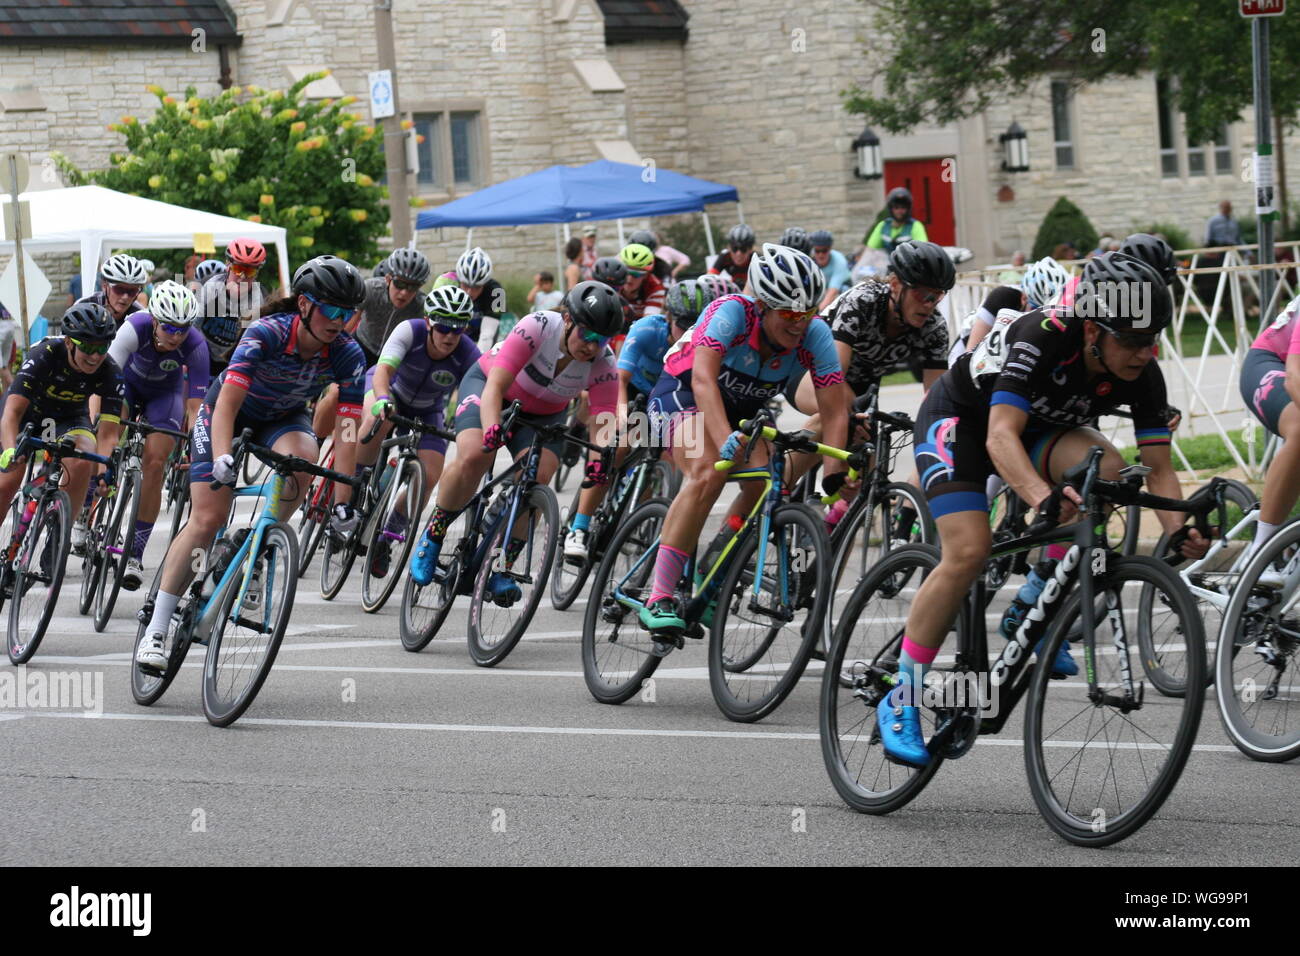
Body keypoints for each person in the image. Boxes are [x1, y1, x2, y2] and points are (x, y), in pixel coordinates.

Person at [884, 252, 1207, 767]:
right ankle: (901, 696)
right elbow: (999, 435)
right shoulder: (1043, 336)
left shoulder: (1143, 370)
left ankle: (1030, 602)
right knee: (969, 550)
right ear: (1089, 332)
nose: (1145, 353)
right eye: (1131, 340)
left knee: (1109, 474)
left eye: (1153, 339)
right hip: (964, 422)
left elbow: (1159, 469)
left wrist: (1180, 527)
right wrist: (1041, 497)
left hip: (1040, 431)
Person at [135, 255, 367, 672]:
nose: (340, 320)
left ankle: (258, 547)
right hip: (229, 411)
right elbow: (227, 404)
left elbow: (348, 431)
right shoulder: (267, 333)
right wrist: (222, 455)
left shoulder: (348, 355)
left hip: (283, 416)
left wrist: (344, 499)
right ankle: (157, 625)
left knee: (305, 462)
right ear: (304, 305)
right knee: (208, 517)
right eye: (331, 309)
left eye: (348, 313)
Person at [638, 244, 849, 643]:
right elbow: (702, 380)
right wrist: (723, 440)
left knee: (767, 482)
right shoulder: (731, 311)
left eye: (806, 314)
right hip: (681, 393)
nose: (798, 324)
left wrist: (835, 475)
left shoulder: (814, 333)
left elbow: (835, 410)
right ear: (763, 305)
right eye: (788, 314)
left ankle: (717, 560)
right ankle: (660, 595)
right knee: (706, 473)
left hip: (741, 410)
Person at [408, 281, 625, 603]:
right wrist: (493, 427)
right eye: (587, 335)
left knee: (539, 477)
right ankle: (434, 533)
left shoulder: (603, 363)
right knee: (474, 455)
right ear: (568, 320)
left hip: (544, 414)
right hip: (492, 387)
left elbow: (603, 419)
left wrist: (598, 462)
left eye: (602, 339)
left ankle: (502, 565)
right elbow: (495, 386)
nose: (592, 346)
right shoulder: (536, 328)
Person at [562, 279, 716, 560]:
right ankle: (579, 527)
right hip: (633, 393)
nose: (688, 333)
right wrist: (621, 416)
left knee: (670, 464)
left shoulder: (706, 344)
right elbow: (619, 380)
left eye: (697, 326)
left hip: (671, 400)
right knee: (616, 450)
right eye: (683, 324)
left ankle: (639, 514)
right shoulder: (646, 330)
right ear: (668, 316)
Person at [358, 285, 481, 577]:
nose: (450, 336)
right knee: (375, 424)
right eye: (442, 327)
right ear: (428, 322)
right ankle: (352, 489)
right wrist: (383, 401)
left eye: (458, 329)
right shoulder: (408, 331)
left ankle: (387, 536)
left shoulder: (468, 352)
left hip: (428, 409)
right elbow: (384, 371)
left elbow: (475, 394)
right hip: (389, 390)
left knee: (429, 475)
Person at [105, 280, 210, 589]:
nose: (176, 335)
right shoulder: (133, 327)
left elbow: (196, 407)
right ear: (153, 320)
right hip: (126, 386)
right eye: (168, 327)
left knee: (155, 464)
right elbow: (108, 378)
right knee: (108, 435)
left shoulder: (195, 345)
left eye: (182, 328)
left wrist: (197, 443)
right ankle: (91, 505)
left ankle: (134, 553)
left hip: (165, 395)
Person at [0, 303, 124, 545]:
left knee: (82, 458)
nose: (96, 356)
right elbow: (12, 413)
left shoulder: (111, 372)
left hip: (69, 418)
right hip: (28, 414)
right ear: (68, 342)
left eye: (102, 347)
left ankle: (58, 539)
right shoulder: (45, 354)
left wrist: (103, 474)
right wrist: (8, 450)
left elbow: (108, 436)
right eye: (87, 347)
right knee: (8, 480)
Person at [785, 240, 954, 417]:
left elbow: (936, 402)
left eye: (936, 297)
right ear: (895, 285)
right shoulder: (863, 301)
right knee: (840, 417)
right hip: (812, 368)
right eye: (921, 294)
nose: (929, 304)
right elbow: (832, 375)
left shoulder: (934, 328)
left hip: (862, 384)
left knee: (867, 436)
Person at [349, 248, 431, 368]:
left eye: (413, 287)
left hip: (393, 356)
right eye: (400, 284)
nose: (404, 293)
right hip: (362, 345)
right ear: (388, 279)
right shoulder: (371, 289)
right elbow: (347, 325)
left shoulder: (421, 305)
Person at [198, 238, 267, 379]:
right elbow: (193, 327)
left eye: (249, 272)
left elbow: (248, 343)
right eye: (238, 269)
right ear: (228, 265)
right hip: (203, 354)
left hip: (231, 361)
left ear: (256, 274)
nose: (241, 277)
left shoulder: (255, 300)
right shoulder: (212, 288)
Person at [433, 247, 506, 351]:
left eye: (477, 287)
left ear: (485, 284)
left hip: (480, 337)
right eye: (466, 285)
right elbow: (434, 321)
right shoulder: (446, 281)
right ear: (459, 280)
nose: (469, 292)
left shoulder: (498, 292)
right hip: (453, 334)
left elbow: (487, 335)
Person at [77, 253, 148, 329]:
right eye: (119, 289)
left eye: (132, 291)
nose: (125, 297)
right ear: (104, 286)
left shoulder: (140, 316)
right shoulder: (83, 307)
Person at [865, 187, 929, 254]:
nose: (899, 211)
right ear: (890, 208)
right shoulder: (883, 225)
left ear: (908, 208)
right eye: (896, 207)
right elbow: (871, 250)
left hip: (908, 263)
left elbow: (922, 250)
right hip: (886, 263)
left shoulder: (915, 225)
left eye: (903, 207)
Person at [617, 243, 666, 322]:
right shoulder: (611, 279)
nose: (629, 279)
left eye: (636, 274)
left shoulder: (655, 287)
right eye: (626, 272)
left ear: (646, 275)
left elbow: (648, 323)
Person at [809, 230, 853, 309]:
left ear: (830, 249)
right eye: (817, 251)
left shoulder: (840, 261)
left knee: (843, 291)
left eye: (824, 251)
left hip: (841, 289)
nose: (820, 254)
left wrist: (816, 314)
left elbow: (832, 293)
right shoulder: (810, 260)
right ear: (813, 250)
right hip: (824, 290)